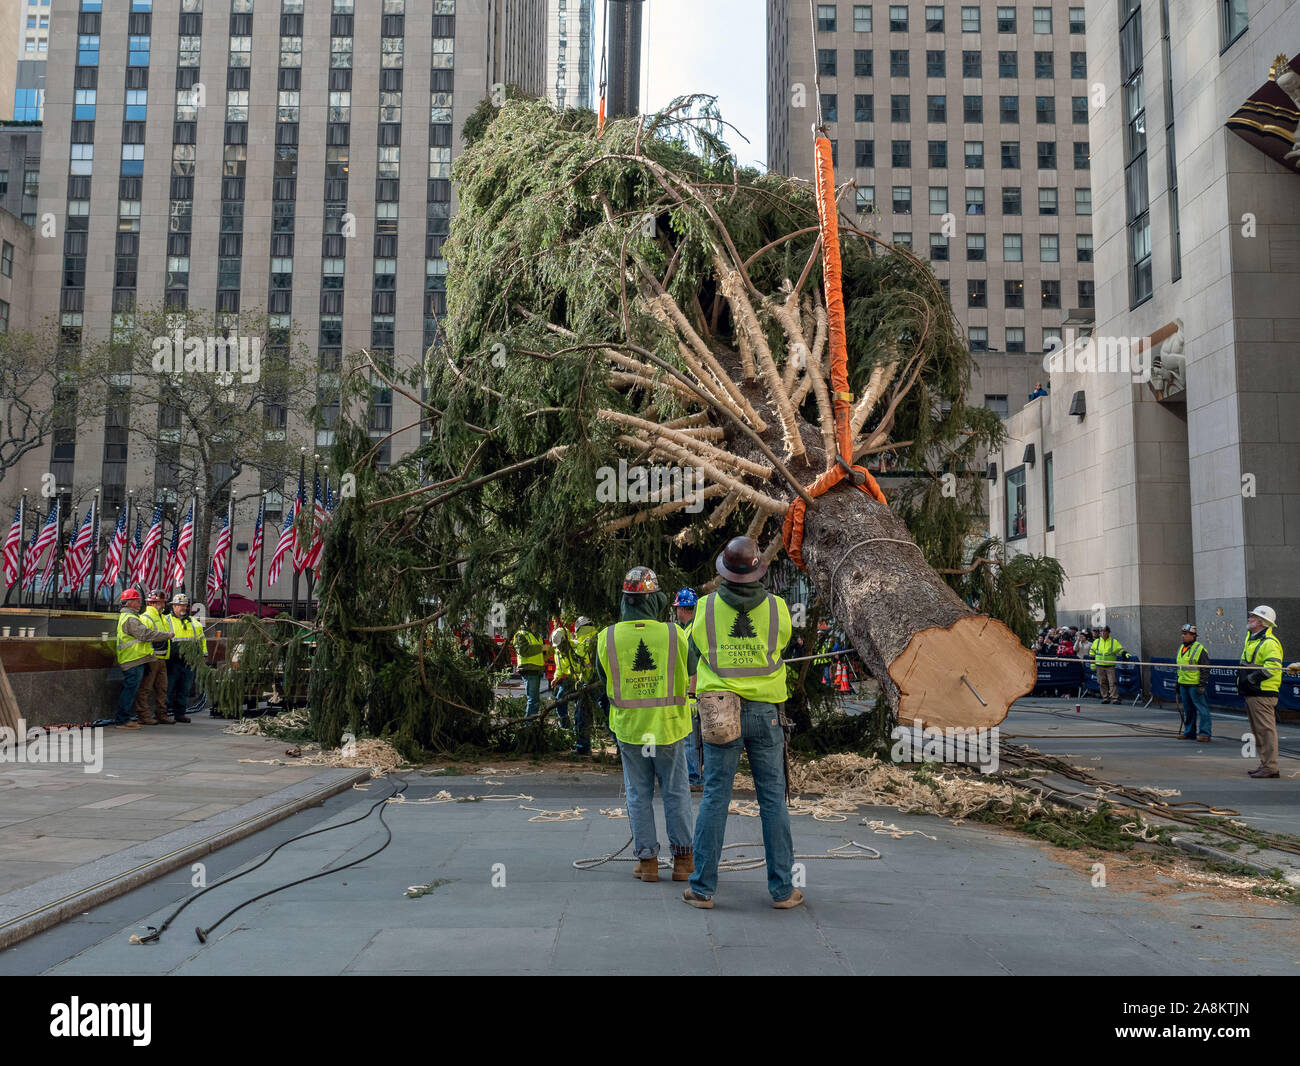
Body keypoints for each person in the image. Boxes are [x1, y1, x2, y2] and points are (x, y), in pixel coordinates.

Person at [684, 536, 799, 911]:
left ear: (725, 572)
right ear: (757, 571)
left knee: (715, 796)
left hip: (720, 710)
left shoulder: (705, 607)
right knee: (772, 800)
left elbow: (696, 646)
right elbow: (781, 643)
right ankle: (783, 891)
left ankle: (702, 889)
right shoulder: (778, 607)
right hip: (767, 712)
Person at [595, 566, 694, 883]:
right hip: (668, 729)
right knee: (676, 792)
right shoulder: (673, 633)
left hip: (631, 730)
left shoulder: (607, 637)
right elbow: (691, 671)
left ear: (625, 601)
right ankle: (683, 863)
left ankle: (648, 863)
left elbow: (604, 679)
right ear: (656, 600)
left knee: (638, 795)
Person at [114, 588, 171, 730]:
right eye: (136, 600)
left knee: (132, 690)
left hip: (136, 659)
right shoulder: (131, 619)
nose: (140, 603)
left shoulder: (132, 617)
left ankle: (124, 719)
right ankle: (122, 720)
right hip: (132, 660)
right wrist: (166, 635)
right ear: (129, 602)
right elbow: (144, 634)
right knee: (130, 691)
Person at [1239, 606, 1284, 779]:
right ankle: (1266, 764)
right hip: (1253, 692)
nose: (1249, 619)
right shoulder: (1253, 640)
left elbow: (1273, 667)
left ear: (1261, 622)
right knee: (1259, 731)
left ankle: (1270, 767)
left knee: (1265, 731)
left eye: (1253, 617)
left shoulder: (1269, 643)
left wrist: (1251, 679)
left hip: (1262, 693)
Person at [674, 588, 705, 792]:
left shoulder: (691, 631)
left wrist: (692, 694)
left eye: (677, 608)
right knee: (694, 739)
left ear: (683, 609)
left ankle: (694, 777)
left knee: (690, 739)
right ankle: (697, 775)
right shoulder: (691, 628)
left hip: (693, 693)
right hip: (696, 691)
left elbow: (693, 665)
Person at [164, 593, 207, 724]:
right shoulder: (166, 620)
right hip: (171, 661)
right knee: (168, 689)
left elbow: (201, 641)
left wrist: (203, 656)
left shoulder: (195, 623)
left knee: (184, 689)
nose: (182, 608)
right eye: (179, 605)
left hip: (189, 662)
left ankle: (180, 714)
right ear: (173, 606)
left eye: (184, 605)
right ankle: (163, 713)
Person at [135, 589, 175, 724]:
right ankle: (143, 715)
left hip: (162, 658)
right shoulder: (146, 618)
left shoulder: (162, 617)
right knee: (145, 688)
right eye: (159, 603)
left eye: (162, 602)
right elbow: (145, 638)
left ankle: (161, 714)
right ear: (152, 603)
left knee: (162, 688)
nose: (162, 605)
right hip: (151, 658)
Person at [1175, 623, 1211, 741]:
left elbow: (1205, 668)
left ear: (1193, 636)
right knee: (1188, 710)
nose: (1183, 636)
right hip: (1184, 684)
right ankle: (1189, 732)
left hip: (1195, 685)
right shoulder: (1182, 648)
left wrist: (1202, 685)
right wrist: (1178, 683)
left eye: (1186, 634)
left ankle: (1205, 734)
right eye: (1182, 634)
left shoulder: (1199, 649)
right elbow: (1180, 667)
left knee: (1202, 709)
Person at [572, 615, 599, 754]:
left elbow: (578, 667)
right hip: (604, 683)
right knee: (608, 716)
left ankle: (583, 748)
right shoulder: (600, 637)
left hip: (588, 684)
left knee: (582, 716)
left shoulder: (582, 642)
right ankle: (620, 747)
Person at [512, 616, 546, 720]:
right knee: (533, 700)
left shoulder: (536, 635)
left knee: (535, 700)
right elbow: (524, 651)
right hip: (529, 670)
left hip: (536, 670)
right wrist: (541, 648)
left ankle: (531, 723)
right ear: (531, 623)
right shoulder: (520, 635)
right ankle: (528, 725)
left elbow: (539, 652)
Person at [549, 622, 579, 730]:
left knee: (579, 704)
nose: (559, 648)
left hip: (578, 680)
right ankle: (565, 726)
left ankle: (579, 728)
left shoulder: (576, 647)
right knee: (559, 700)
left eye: (560, 645)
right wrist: (556, 678)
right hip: (568, 680)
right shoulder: (557, 652)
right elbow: (559, 667)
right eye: (557, 646)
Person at [1090, 624, 1127, 704]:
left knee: (1112, 682)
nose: (1103, 633)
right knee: (1101, 682)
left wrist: (1124, 653)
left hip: (1110, 665)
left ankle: (1115, 698)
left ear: (1108, 633)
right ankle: (1105, 698)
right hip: (1099, 665)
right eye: (1102, 632)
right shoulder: (1096, 641)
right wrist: (1092, 663)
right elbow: (1092, 652)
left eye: (1105, 632)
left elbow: (1119, 649)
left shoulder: (1114, 641)